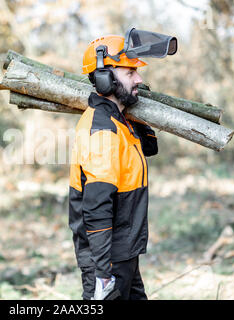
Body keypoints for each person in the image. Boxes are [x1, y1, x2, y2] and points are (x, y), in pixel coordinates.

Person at [68, 34, 158, 300]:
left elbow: (150, 148)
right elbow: (96, 206)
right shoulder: (103, 130)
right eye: (130, 72)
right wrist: (103, 273)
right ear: (104, 77)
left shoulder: (120, 123)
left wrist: (136, 113)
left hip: (123, 252)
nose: (139, 79)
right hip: (108, 260)